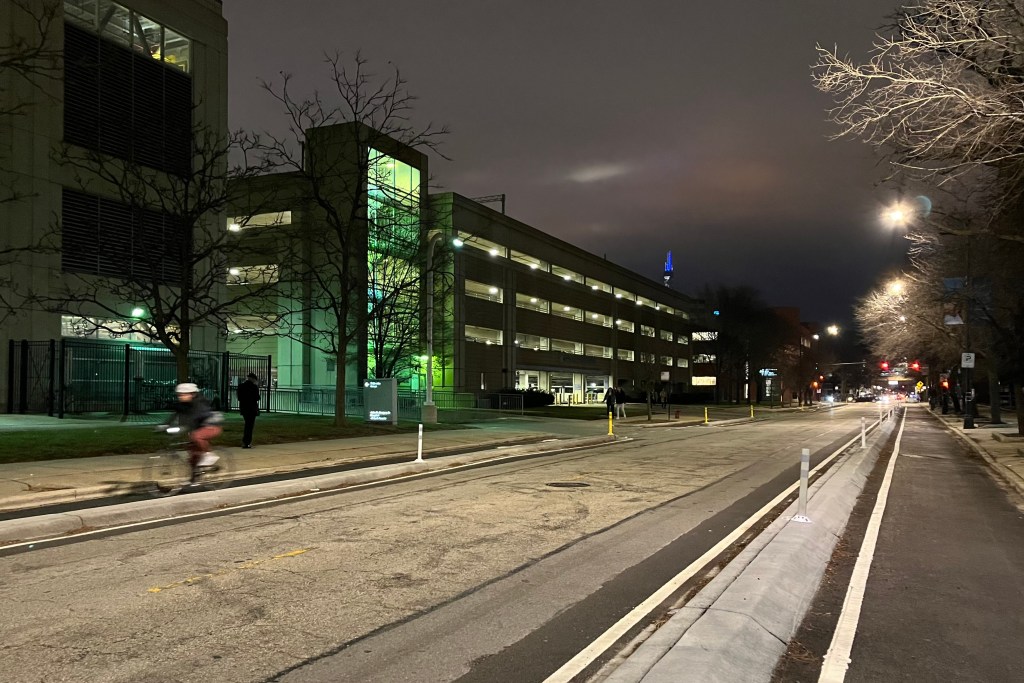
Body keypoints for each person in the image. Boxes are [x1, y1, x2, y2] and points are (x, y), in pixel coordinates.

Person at [162, 383, 222, 470]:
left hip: (211, 426)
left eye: (184, 394)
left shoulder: (199, 403)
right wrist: (164, 424)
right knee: (192, 455)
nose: (181, 397)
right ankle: (195, 478)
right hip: (197, 427)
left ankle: (209, 455)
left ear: (193, 394)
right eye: (179, 395)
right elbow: (175, 414)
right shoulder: (183, 404)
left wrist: (186, 426)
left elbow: (198, 416)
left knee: (196, 436)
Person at [237, 372, 260, 448]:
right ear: (253, 379)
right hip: (252, 409)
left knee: (247, 424)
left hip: (244, 408)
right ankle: (247, 442)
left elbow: (239, 398)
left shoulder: (241, 386)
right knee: (249, 426)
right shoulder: (254, 387)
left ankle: (245, 442)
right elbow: (257, 398)